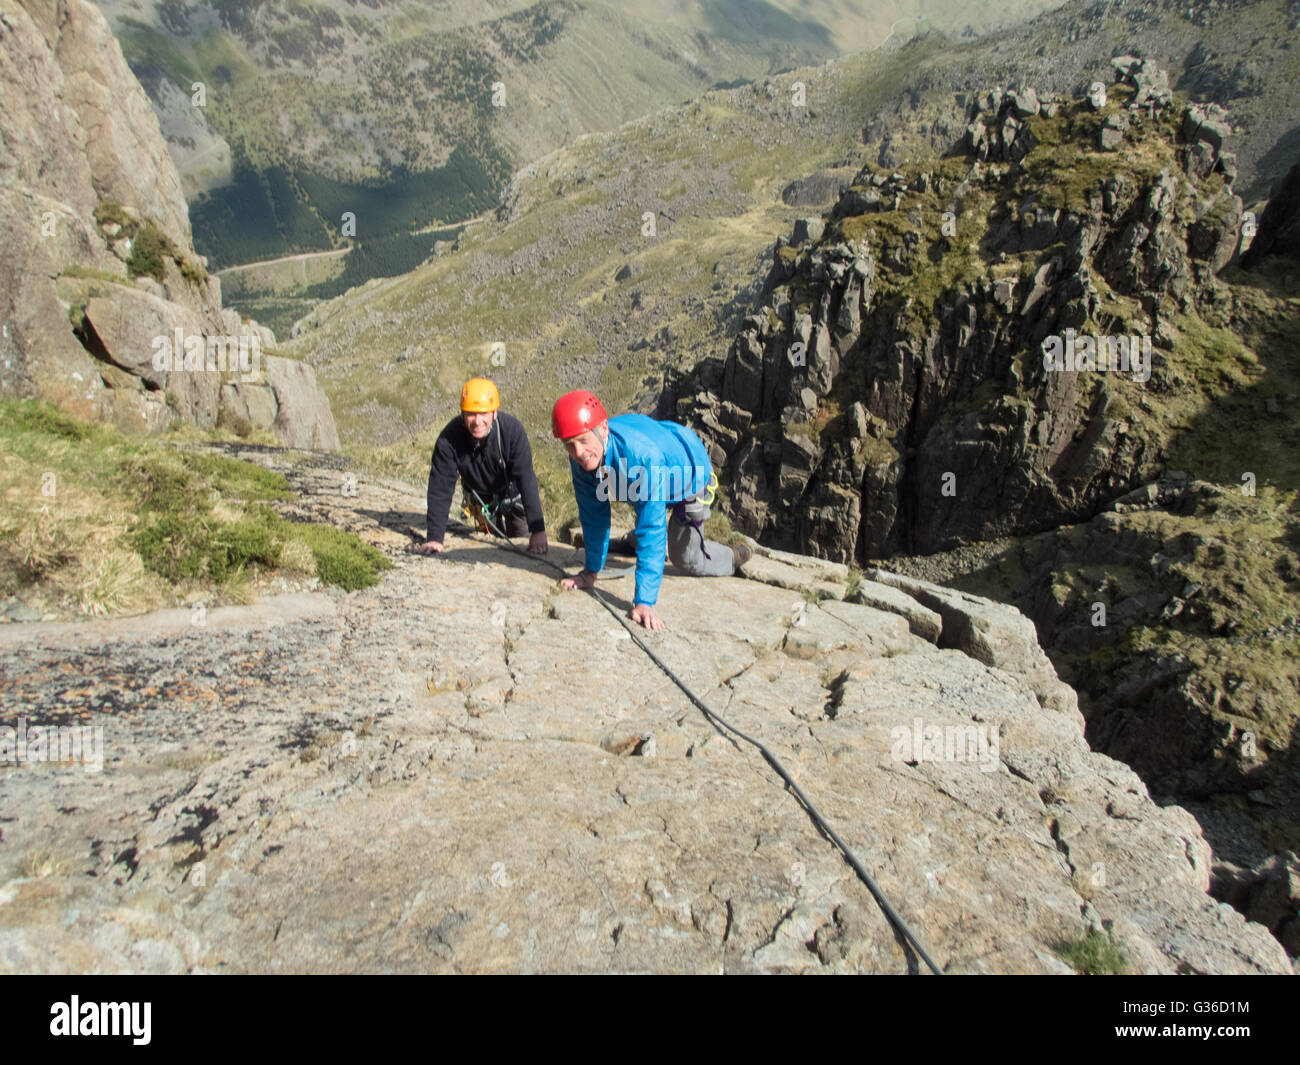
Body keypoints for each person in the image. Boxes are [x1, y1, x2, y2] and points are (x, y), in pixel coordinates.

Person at [552, 390, 749, 630]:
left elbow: (652, 527)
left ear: (603, 429)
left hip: (690, 473)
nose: (578, 453)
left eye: (583, 440)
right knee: (638, 505)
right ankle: (633, 541)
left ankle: (732, 557)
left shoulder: (641, 458)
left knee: (684, 559)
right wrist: (590, 573)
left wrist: (644, 601)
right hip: (661, 453)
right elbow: (594, 517)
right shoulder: (582, 459)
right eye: (569, 445)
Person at [416, 378, 548, 556]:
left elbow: (526, 479)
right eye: (471, 414)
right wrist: (435, 538)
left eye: (483, 414)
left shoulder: (512, 432)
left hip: (512, 495)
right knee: (489, 548)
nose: (477, 421)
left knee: (523, 545)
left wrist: (538, 530)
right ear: (462, 414)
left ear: (494, 413)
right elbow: (441, 487)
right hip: (482, 501)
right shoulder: (450, 439)